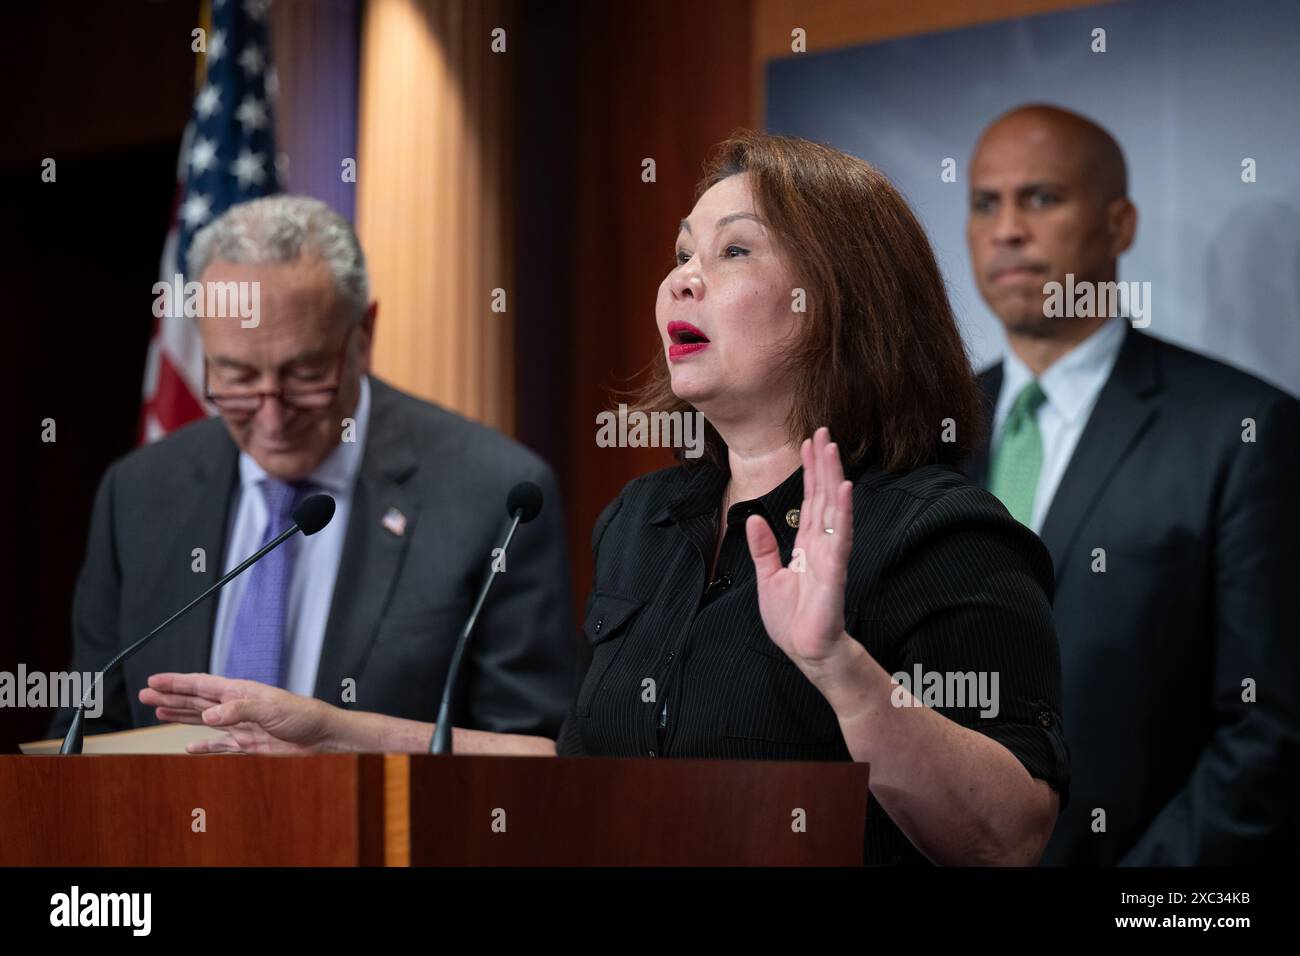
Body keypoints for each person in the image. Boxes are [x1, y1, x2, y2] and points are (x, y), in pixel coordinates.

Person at [143, 133, 1069, 866]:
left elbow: (1009, 833)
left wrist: (838, 667)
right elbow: (587, 777)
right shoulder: (646, 522)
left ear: (840, 298)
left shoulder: (940, 533)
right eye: (680, 254)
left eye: (733, 250)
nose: (681, 277)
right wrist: (334, 734)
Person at [51, 196, 575, 740]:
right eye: (235, 376)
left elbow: (530, 753)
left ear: (364, 334)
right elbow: (85, 732)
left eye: (305, 374)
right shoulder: (137, 493)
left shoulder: (494, 495)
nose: (272, 416)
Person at [964, 104, 1300, 864]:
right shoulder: (924, 434)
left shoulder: (1244, 432)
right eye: (986, 202)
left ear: (1120, 224)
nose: (1007, 228)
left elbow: (1269, 733)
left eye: (1041, 198)